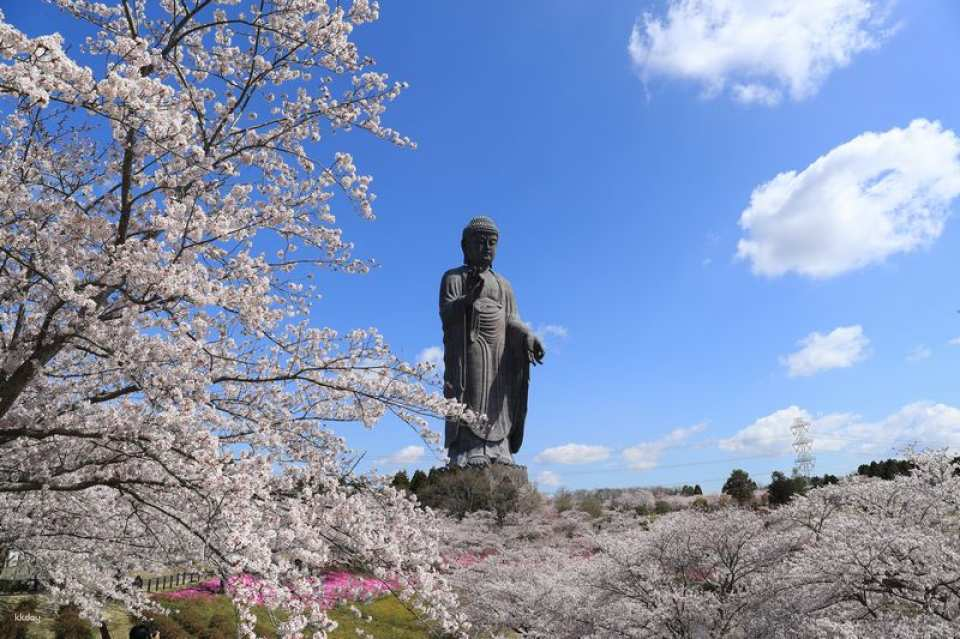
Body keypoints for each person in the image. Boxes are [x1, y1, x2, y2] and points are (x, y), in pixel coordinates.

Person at [439, 216, 545, 466]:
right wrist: (467, 299)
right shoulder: (454, 278)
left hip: (501, 351)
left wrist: (528, 335)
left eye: (492, 243)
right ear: (465, 246)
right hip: (470, 348)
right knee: (473, 391)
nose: (486, 248)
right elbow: (447, 313)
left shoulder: (503, 284)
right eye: (479, 242)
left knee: (501, 396)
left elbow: (512, 319)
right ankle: (469, 447)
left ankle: (500, 448)